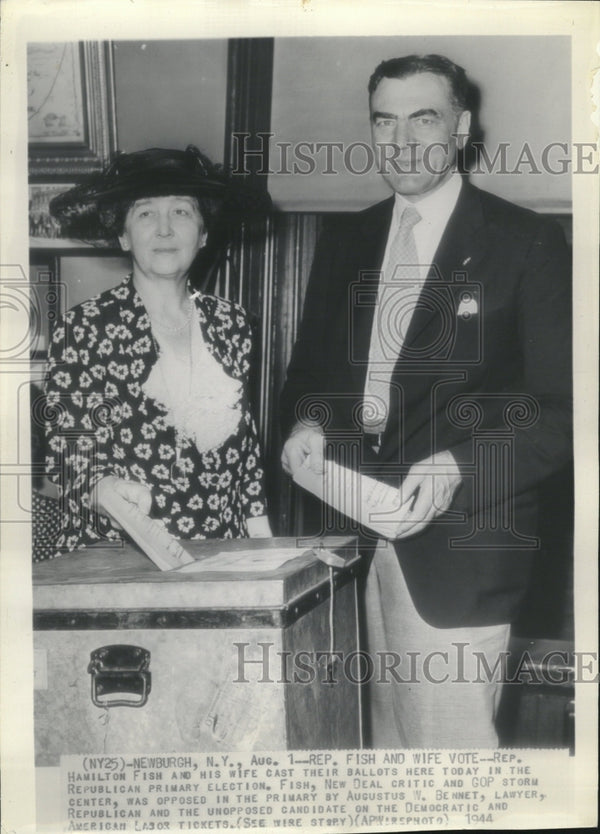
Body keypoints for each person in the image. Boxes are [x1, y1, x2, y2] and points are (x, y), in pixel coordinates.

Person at [280, 55, 571, 747]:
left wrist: (460, 467)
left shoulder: (526, 241)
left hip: (462, 555)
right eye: (385, 122)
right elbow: (308, 380)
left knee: (449, 776)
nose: (402, 142)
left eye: (424, 119)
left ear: (463, 127)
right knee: (379, 759)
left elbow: (564, 412)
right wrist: (306, 424)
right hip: (349, 550)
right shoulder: (345, 238)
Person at [44, 145, 272, 558]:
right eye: (146, 213)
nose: (164, 229)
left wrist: (267, 552)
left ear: (203, 234)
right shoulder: (85, 327)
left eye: (182, 212)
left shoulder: (233, 325)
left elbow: (246, 458)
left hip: (219, 553)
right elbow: (69, 452)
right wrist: (105, 488)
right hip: (117, 555)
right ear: (123, 234)